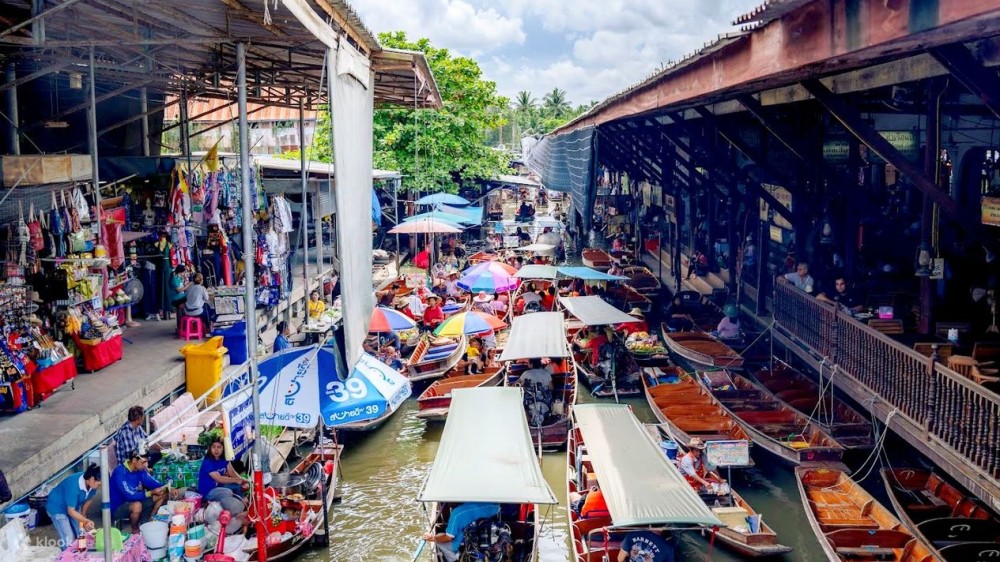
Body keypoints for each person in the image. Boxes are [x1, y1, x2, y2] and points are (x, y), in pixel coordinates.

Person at [110, 448, 168, 533]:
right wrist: (150, 493)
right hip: (119, 507)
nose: (146, 465)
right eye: (143, 462)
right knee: (137, 506)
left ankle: (149, 521)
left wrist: (168, 487)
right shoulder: (120, 472)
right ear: (134, 460)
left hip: (137, 500)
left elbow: (152, 482)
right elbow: (129, 495)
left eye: (147, 462)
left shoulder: (139, 470)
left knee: (164, 492)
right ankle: (135, 530)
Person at [422, 502, 501, 562]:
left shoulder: (457, 514)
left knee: (439, 538)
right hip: (486, 523)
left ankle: (454, 558)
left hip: (465, 537)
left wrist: (432, 537)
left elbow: (448, 538)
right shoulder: (494, 506)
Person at [46, 464, 101, 548]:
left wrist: (83, 516)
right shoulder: (74, 485)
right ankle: (67, 557)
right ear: (92, 479)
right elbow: (71, 511)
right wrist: (86, 521)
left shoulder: (92, 484)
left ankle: (79, 555)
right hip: (57, 507)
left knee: (81, 532)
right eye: (99, 485)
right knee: (68, 538)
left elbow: (89, 499)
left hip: (73, 506)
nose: (100, 487)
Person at [169, 265, 188, 330]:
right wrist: (188, 286)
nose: (184, 274)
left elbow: (182, 286)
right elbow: (179, 290)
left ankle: (184, 326)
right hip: (177, 299)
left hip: (182, 297)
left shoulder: (179, 278)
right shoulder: (174, 279)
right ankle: (181, 327)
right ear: (180, 272)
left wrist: (185, 281)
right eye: (183, 272)